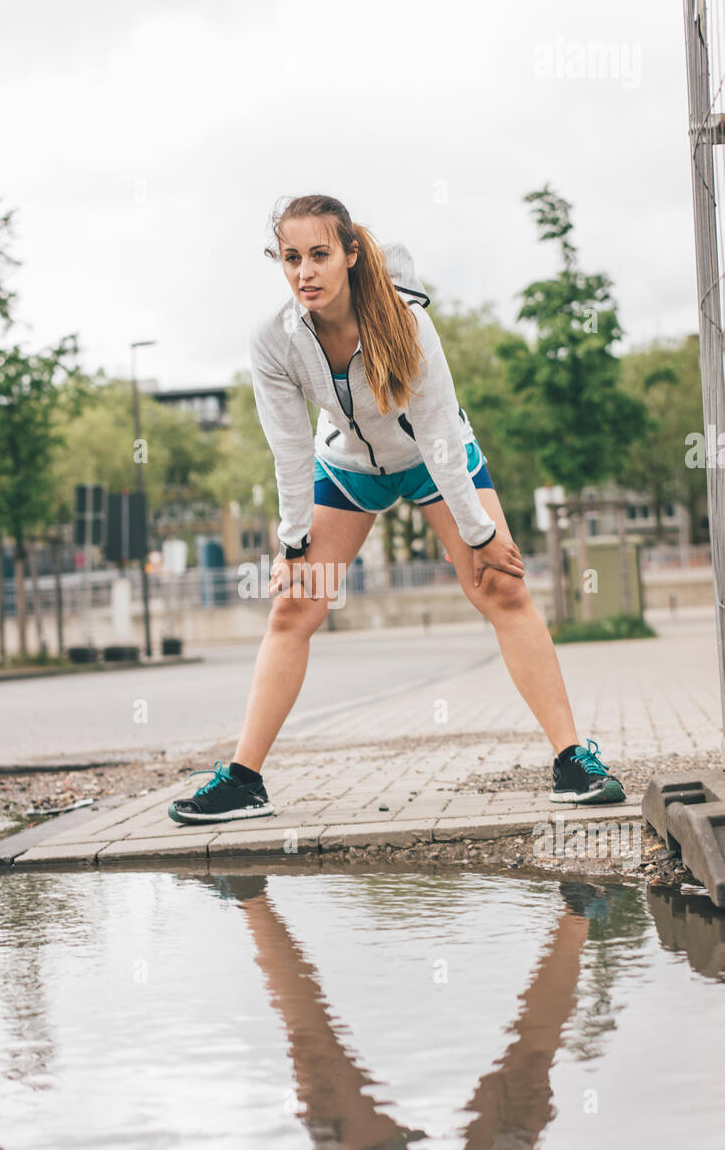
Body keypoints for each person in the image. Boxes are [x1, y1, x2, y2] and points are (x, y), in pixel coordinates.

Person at [168, 193, 625, 824]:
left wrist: (480, 532)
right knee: (294, 607)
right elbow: (290, 449)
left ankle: (574, 760)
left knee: (503, 590)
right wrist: (294, 544)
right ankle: (244, 780)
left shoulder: (405, 320)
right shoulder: (273, 341)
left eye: (320, 255)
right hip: (350, 471)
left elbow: (438, 430)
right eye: (291, 257)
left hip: (434, 461)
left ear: (351, 255)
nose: (305, 271)